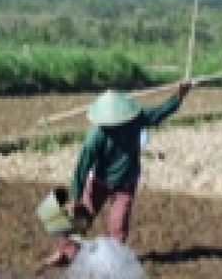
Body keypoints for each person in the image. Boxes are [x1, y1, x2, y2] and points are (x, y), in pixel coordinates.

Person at [43, 79, 193, 267]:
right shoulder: (96, 136)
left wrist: (179, 96)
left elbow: (158, 113)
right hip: (100, 180)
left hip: (126, 183)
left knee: (118, 224)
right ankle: (66, 252)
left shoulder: (135, 120)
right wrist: (75, 197)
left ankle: (114, 261)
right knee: (81, 216)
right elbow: (82, 168)